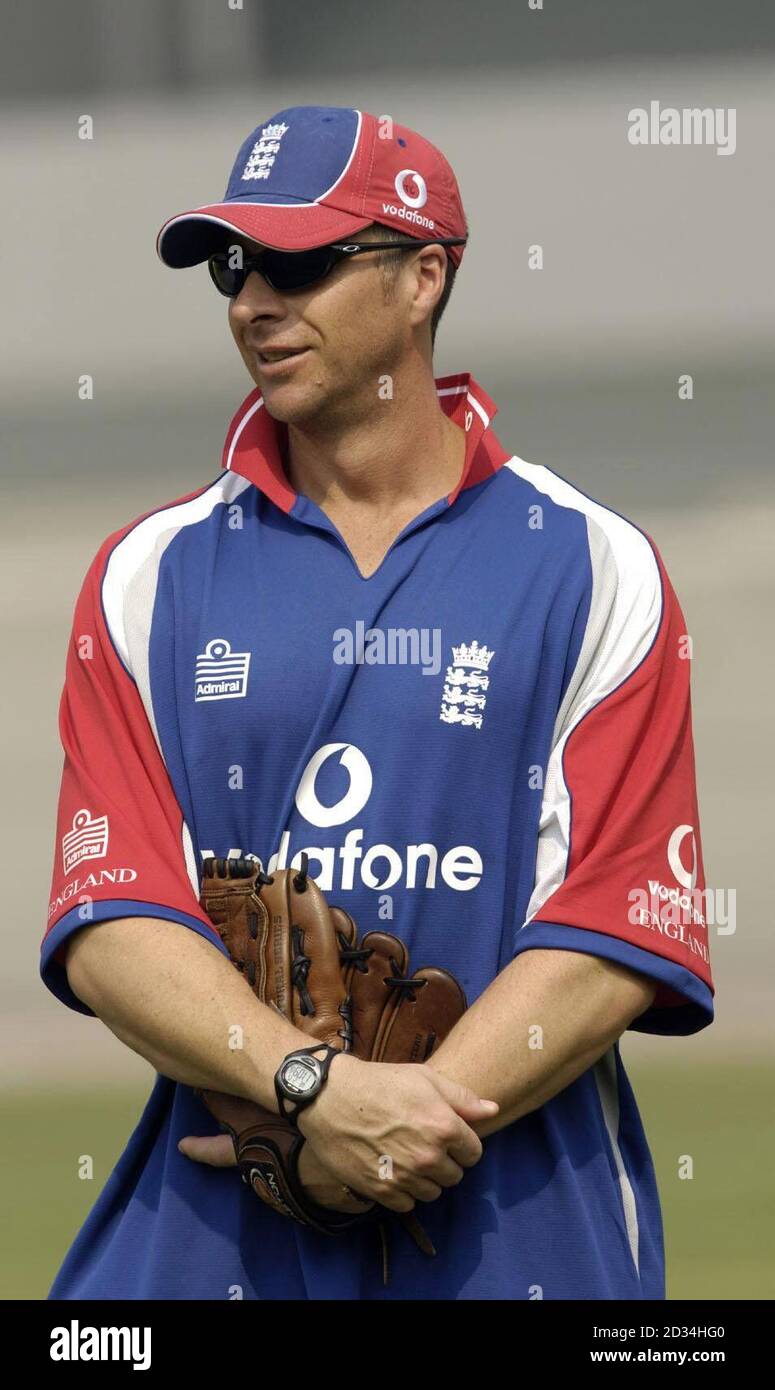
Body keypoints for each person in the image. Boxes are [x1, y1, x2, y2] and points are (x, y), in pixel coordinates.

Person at [42, 105, 713, 1301]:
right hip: (212, 1230)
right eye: (232, 268)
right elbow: (110, 919)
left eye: (299, 263)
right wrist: (317, 1092)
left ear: (423, 278)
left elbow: (619, 929)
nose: (252, 301)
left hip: (518, 1228)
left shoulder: (594, 564)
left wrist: (391, 1132)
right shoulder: (147, 573)